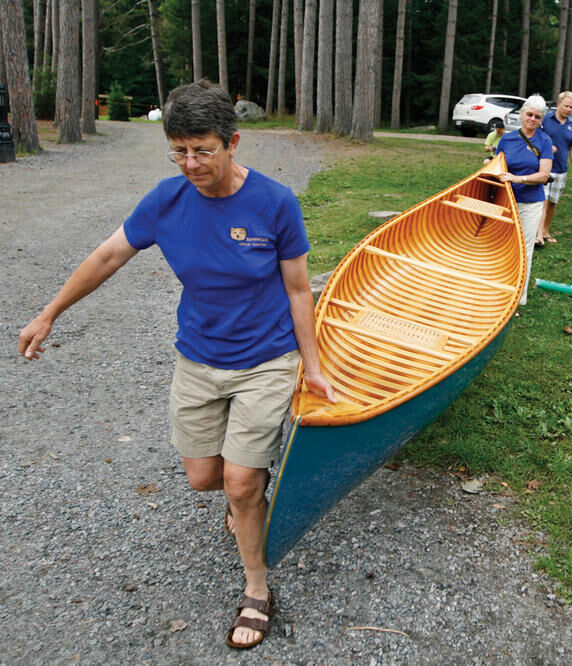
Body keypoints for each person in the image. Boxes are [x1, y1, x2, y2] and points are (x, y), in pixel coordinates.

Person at [16, 80, 337, 650]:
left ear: (233, 142)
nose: (190, 164)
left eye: (202, 150)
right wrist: (50, 313)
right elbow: (108, 256)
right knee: (204, 478)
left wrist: (312, 367)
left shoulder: (274, 203)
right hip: (199, 358)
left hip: (266, 358)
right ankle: (246, 495)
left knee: (239, 483)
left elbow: (297, 290)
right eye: (179, 151)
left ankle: (257, 585)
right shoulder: (166, 201)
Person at [496, 94, 553, 306]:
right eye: (529, 114)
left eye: (537, 117)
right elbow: (497, 164)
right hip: (505, 200)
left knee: (524, 250)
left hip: (530, 202)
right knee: (501, 246)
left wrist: (518, 179)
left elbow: (544, 175)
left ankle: (518, 298)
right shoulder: (507, 139)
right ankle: (499, 292)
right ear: (522, 114)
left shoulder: (545, 141)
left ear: (541, 119)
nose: (532, 119)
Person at [537, 91, 572, 247]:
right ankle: (538, 236)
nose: (568, 109)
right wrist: (547, 147)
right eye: (566, 106)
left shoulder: (571, 126)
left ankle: (545, 231)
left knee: (552, 202)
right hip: (544, 167)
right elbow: (536, 138)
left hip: (561, 170)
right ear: (558, 104)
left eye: (571, 107)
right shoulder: (546, 120)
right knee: (543, 201)